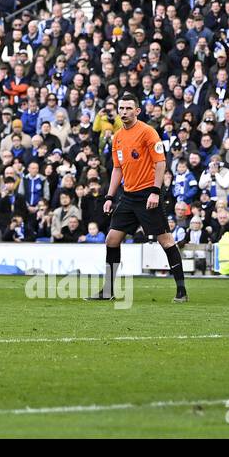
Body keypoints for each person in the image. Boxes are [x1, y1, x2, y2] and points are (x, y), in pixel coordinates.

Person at [89, 94, 188, 302]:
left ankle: (181, 291)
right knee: (112, 239)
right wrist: (109, 196)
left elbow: (160, 163)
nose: (124, 112)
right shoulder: (117, 137)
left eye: (128, 108)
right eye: (121, 108)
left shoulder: (147, 132)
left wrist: (155, 191)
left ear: (137, 111)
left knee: (166, 240)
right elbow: (118, 169)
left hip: (147, 194)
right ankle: (108, 290)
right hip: (128, 196)